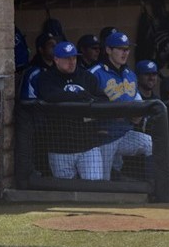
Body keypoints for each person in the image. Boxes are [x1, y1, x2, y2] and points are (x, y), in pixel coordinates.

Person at [36, 41, 112, 180]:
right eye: (67, 59)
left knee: (94, 187)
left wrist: (87, 100)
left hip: (88, 146)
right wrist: (81, 96)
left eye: (74, 58)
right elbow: (50, 96)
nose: (71, 62)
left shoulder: (87, 77)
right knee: (65, 191)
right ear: (56, 60)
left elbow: (104, 100)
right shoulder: (46, 78)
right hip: (60, 148)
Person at [90, 31, 153, 180]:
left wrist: (139, 114)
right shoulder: (94, 73)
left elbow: (138, 102)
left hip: (124, 133)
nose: (125, 53)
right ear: (108, 50)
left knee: (150, 143)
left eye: (127, 49)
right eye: (120, 49)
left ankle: (152, 185)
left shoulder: (130, 74)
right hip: (104, 136)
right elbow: (87, 105)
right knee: (103, 180)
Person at [19, 32, 59, 100]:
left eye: (56, 45)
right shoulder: (33, 72)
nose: (55, 48)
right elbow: (28, 101)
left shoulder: (60, 69)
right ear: (41, 49)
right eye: (51, 45)